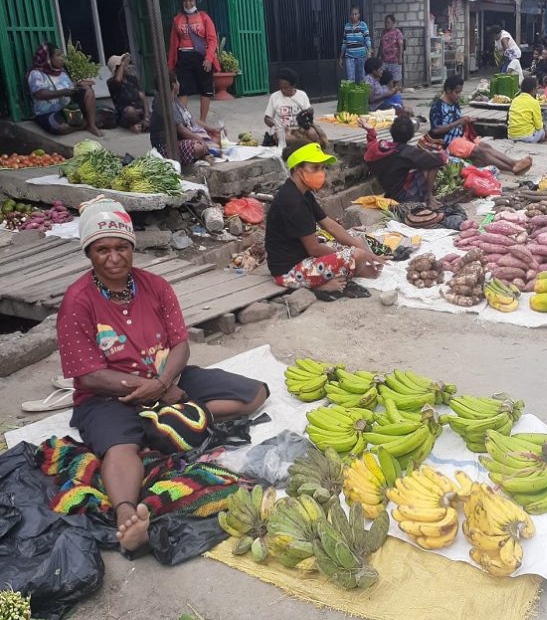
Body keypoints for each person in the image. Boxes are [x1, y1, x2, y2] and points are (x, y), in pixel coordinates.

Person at [56, 196, 268, 555]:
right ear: (89, 254)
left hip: (168, 377)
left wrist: (166, 384)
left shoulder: (155, 287)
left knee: (254, 395)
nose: (113, 257)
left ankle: (167, 423)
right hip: (110, 395)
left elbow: (180, 346)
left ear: (132, 247)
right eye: (102, 249)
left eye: (121, 247)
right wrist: (153, 390)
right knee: (121, 446)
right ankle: (128, 516)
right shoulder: (78, 302)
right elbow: (89, 375)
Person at [265, 142, 386, 296]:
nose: (321, 173)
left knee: (358, 243)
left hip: (304, 258)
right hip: (289, 272)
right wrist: (351, 254)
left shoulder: (303, 193)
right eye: (315, 168)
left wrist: (360, 249)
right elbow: (314, 249)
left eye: (322, 168)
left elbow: (330, 226)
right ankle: (320, 285)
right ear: (297, 170)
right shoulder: (292, 201)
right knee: (357, 254)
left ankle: (351, 270)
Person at [429, 75, 532, 175]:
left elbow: (456, 121)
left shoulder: (454, 103)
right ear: (448, 90)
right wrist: (459, 122)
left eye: (460, 92)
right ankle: (511, 168)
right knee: (479, 151)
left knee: (485, 146)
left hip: (460, 137)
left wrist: (467, 121)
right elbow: (435, 130)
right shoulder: (438, 106)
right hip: (448, 142)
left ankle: (514, 162)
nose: (459, 95)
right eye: (457, 92)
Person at [361, 115, 446, 205]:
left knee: (417, 164)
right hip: (402, 195)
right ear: (411, 135)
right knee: (430, 165)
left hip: (389, 188)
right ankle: (429, 197)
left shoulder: (379, 146)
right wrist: (441, 151)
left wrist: (370, 131)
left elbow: (371, 144)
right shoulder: (407, 152)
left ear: (391, 131)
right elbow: (440, 160)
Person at [167, 0, 219, 123]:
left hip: (202, 58)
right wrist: (170, 66)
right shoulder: (177, 19)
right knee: (183, 90)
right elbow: (173, 44)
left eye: (191, 0)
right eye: (185, 0)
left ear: (196, 0)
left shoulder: (204, 17)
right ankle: (183, 121)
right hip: (184, 57)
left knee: (205, 89)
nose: (188, 3)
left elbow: (213, 40)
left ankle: (202, 121)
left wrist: (208, 59)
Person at [27, 42, 102, 137]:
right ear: (48, 58)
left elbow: (69, 87)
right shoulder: (36, 74)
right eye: (58, 55)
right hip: (47, 113)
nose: (62, 57)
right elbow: (39, 94)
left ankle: (91, 125)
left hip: (67, 109)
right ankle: (85, 123)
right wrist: (63, 92)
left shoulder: (61, 73)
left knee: (87, 91)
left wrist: (78, 85)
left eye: (62, 54)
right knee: (61, 128)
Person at [150, 71, 217, 164]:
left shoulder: (175, 100)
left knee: (215, 138)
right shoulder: (165, 103)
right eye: (177, 81)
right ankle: (200, 156)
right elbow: (181, 129)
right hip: (166, 146)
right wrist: (200, 139)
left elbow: (191, 119)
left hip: (180, 139)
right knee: (198, 148)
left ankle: (202, 154)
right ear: (174, 85)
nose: (179, 83)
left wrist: (210, 129)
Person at [507, 76, 547, 143]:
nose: (537, 90)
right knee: (542, 131)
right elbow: (538, 126)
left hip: (511, 135)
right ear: (533, 89)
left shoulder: (515, 100)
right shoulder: (534, 102)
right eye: (536, 88)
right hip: (526, 137)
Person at [107, 53, 150, 133]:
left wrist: (146, 117)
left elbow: (143, 97)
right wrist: (122, 64)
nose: (127, 66)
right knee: (129, 111)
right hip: (126, 115)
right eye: (123, 65)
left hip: (140, 111)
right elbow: (117, 81)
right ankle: (135, 125)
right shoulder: (111, 82)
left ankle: (140, 124)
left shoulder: (132, 79)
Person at [338, 5, 371, 84]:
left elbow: (367, 39)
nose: (354, 16)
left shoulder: (363, 25)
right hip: (349, 56)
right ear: (350, 15)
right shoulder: (347, 26)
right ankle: (353, 96)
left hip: (362, 56)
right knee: (350, 79)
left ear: (359, 15)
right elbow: (344, 42)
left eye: (356, 14)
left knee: (362, 77)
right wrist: (340, 57)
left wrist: (369, 52)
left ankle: (362, 95)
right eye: (352, 14)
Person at [377, 14, 404, 82]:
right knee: (384, 80)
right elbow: (381, 45)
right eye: (385, 22)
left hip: (394, 61)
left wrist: (400, 58)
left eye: (388, 22)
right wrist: (378, 57)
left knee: (395, 80)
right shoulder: (383, 32)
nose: (386, 24)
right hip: (384, 61)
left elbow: (400, 46)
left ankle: (395, 92)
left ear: (393, 23)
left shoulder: (397, 32)